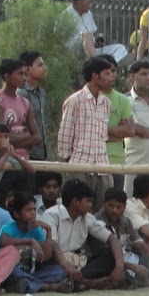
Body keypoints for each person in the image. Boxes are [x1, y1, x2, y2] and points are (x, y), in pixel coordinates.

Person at [58, 56, 117, 203]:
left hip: (103, 166)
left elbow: (102, 135)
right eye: (107, 73)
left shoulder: (106, 103)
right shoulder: (75, 100)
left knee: (103, 207)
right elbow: (65, 135)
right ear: (95, 76)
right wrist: (71, 162)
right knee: (78, 207)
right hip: (80, 165)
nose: (110, 77)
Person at [0, 192, 82, 294]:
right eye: (29, 210)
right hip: (14, 269)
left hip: (31, 271)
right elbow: (3, 241)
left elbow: (47, 253)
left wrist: (48, 229)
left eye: (34, 209)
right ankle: (47, 287)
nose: (33, 213)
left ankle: (26, 284)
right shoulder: (9, 227)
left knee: (60, 272)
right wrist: (30, 241)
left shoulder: (36, 230)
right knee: (13, 272)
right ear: (16, 213)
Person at [41, 178, 115, 282]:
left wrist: (119, 267)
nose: (91, 205)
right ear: (76, 201)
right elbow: (52, 245)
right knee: (57, 271)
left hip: (77, 261)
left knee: (108, 256)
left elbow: (111, 238)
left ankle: (80, 280)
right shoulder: (52, 215)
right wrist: (67, 266)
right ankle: (87, 282)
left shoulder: (87, 217)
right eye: (88, 201)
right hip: (57, 261)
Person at [18, 50, 49, 165]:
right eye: (40, 65)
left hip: (41, 153)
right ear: (28, 69)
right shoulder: (21, 94)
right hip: (26, 154)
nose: (44, 68)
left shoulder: (41, 93)